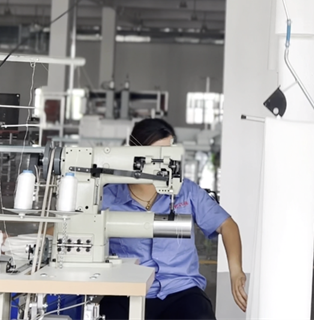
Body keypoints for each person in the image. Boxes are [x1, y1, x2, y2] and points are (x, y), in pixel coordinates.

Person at [98, 118, 248, 320]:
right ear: (135, 154)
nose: (166, 163)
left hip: (181, 291)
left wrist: (236, 271)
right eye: (159, 155)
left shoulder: (187, 192)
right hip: (125, 291)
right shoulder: (107, 197)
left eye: (170, 155)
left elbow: (227, 225)